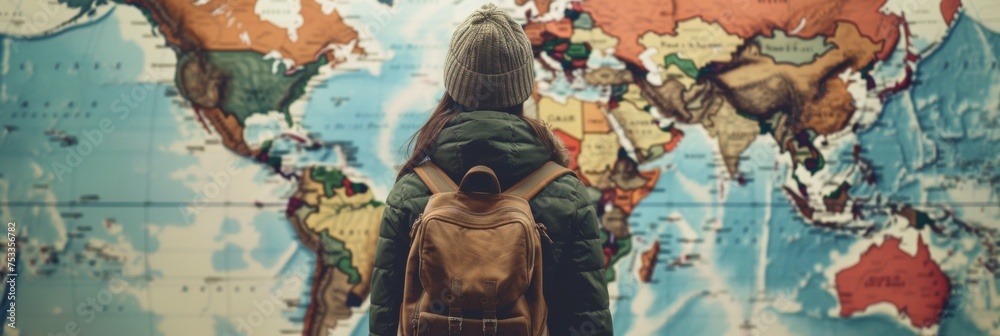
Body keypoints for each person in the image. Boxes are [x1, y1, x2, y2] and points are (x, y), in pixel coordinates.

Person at [367, 3, 612, 336]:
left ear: (453, 86)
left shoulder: (411, 191)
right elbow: (589, 320)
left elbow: (384, 318)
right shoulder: (566, 194)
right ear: (523, 89)